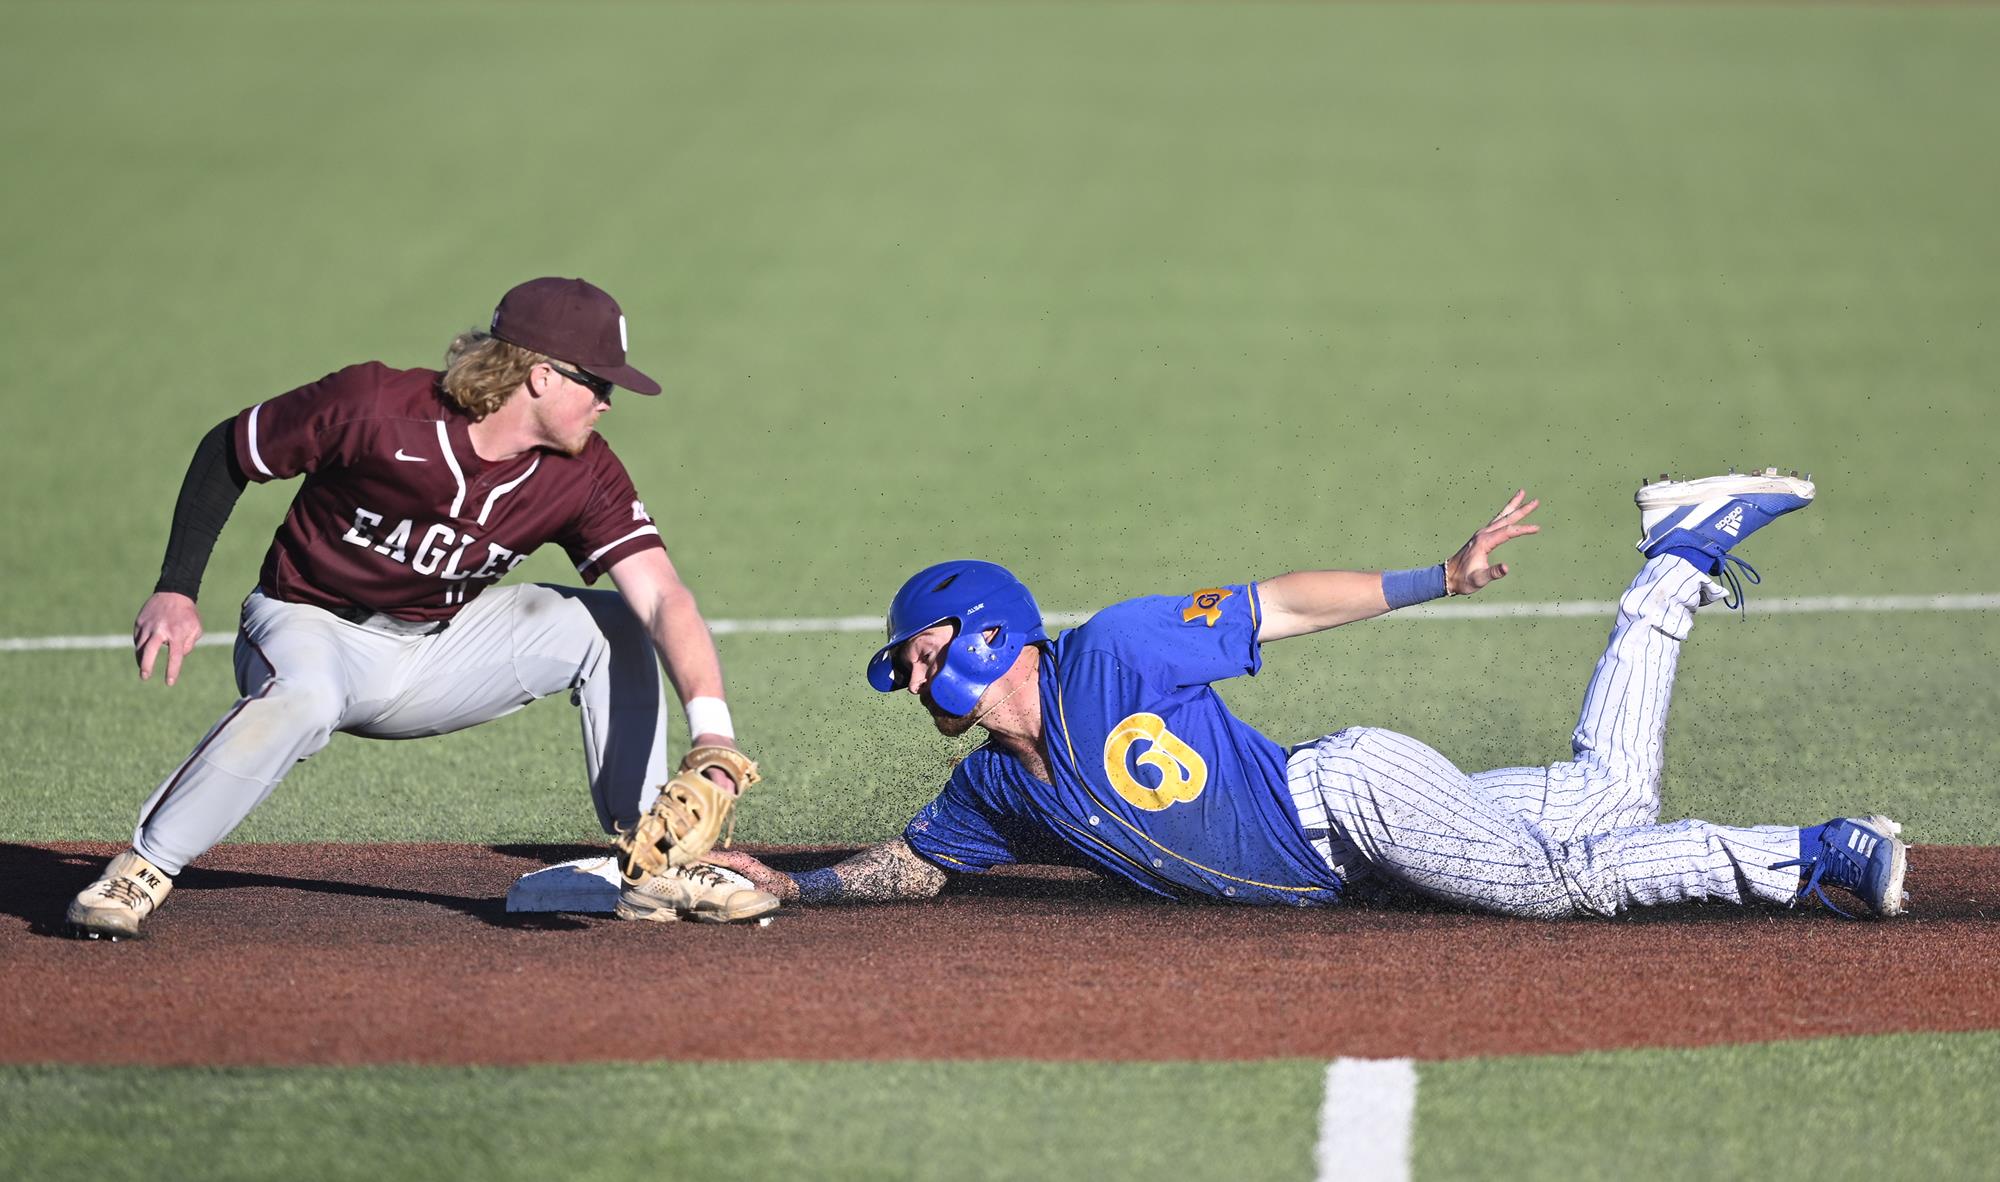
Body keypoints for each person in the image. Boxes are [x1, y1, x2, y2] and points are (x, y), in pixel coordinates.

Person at [712, 471, 1909, 920]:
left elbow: (1276, 603)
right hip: (1360, 850)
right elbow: (912, 866)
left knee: (1562, 887)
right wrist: (790, 886)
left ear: (984, 630)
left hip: (1346, 793)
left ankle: (1813, 855)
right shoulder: (992, 790)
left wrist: (1435, 578)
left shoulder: (1116, 652)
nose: (914, 680)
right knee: (1606, 795)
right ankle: (1677, 559)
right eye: (906, 670)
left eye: (921, 653)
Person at [67, 278, 778, 939]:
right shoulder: (373, 406)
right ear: (541, 376)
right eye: (598, 384)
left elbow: (661, 594)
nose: (607, 402)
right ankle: (144, 867)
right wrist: (176, 588)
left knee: (612, 622)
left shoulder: (583, 472)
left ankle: (654, 861)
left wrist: (713, 738)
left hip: (434, 649)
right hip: (305, 627)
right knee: (305, 697)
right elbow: (231, 449)